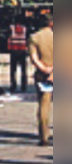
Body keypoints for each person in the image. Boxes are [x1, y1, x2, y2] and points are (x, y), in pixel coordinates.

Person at [29, 16, 53, 147]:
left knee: (44, 106)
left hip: (43, 76)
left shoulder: (34, 38)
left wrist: (45, 70)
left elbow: (34, 58)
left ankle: (44, 136)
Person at [9, 17, 31, 93]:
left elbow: (9, 39)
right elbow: (28, 39)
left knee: (13, 70)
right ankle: (23, 86)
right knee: (23, 70)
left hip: (14, 51)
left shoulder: (11, 28)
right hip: (22, 51)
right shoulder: (25, 29)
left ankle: (13, 85)